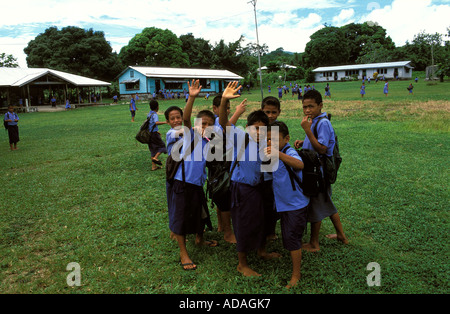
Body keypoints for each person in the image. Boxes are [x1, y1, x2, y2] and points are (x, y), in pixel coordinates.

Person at [219, 81, 280, 277]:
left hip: (261, 187)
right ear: (247, 127)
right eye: (255, 128)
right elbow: (223, 123)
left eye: (262, 129)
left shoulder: (268, 141)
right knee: (243, 222)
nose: (258, 133)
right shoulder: (239, 136)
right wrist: (224, 101)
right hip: (242, 188)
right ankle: (242, 263)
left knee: (262, 219)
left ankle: (261, 250)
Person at [168, 79, 217, 271]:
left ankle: (200, 239)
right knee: (181, 218)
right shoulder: (190, 134)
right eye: (202, 123)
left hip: (197, 183)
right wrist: (192, 97)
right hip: (182, 182)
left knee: (199, 213)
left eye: (209, 124)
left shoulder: (209, 140)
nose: (205, 127)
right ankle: (183, 253)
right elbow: (187, 118)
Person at [294, 90, 348, 252]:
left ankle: (314, 243)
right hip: (317, 169)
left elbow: (323, 149)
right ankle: (341, 236)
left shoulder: (322, 123)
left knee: (317, 205)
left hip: (320, 172)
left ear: (320, 106)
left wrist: (307, 130)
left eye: (311, 106)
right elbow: (317, 142)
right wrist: (304, 140)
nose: (307, 110)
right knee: (327, 203)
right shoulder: (316, 121)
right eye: (304, 107)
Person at [265, 121, 309, 289]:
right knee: (288, 236)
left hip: (294, 205)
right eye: (268, 140)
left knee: (292, 239)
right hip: (284, 204)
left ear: (287, 138)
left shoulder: (288, 151)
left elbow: (300, 164)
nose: (271, 143)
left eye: (275, 140)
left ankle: (296, 275)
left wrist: (278, 154)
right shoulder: (276, 152)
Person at [210, 95, 247, 244]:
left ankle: (220, 225)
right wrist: (238, 112)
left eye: (229, 108)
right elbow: (226, 126)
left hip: (219, 165)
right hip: (219, 166)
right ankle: (228, 232)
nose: (228, 111)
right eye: (225, 108)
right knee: (224, 198)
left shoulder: (215, 123)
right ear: (215, 109)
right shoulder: (214, 123)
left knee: (220, 195)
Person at [261, 96, 282, 241]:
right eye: (267, 112)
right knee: (261, 204)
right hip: (259, 173)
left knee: (273, 204)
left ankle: (271, 231)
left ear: (279, 112)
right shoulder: (257, 127)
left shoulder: (279, 128)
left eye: (273, 112)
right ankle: (262, 232)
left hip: (274, 174)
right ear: (262, 110)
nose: (270, 115)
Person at [147, 100, 168, 171]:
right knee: (162, 146)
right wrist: (165, 122)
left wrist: (156, 131)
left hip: (150, 134)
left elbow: (150, 124)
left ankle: (154, 167)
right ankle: (155, 158)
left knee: (153, 149)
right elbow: (156, 122)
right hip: (154, 134)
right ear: (157, 107)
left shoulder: (149, 114)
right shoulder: (155, 114)